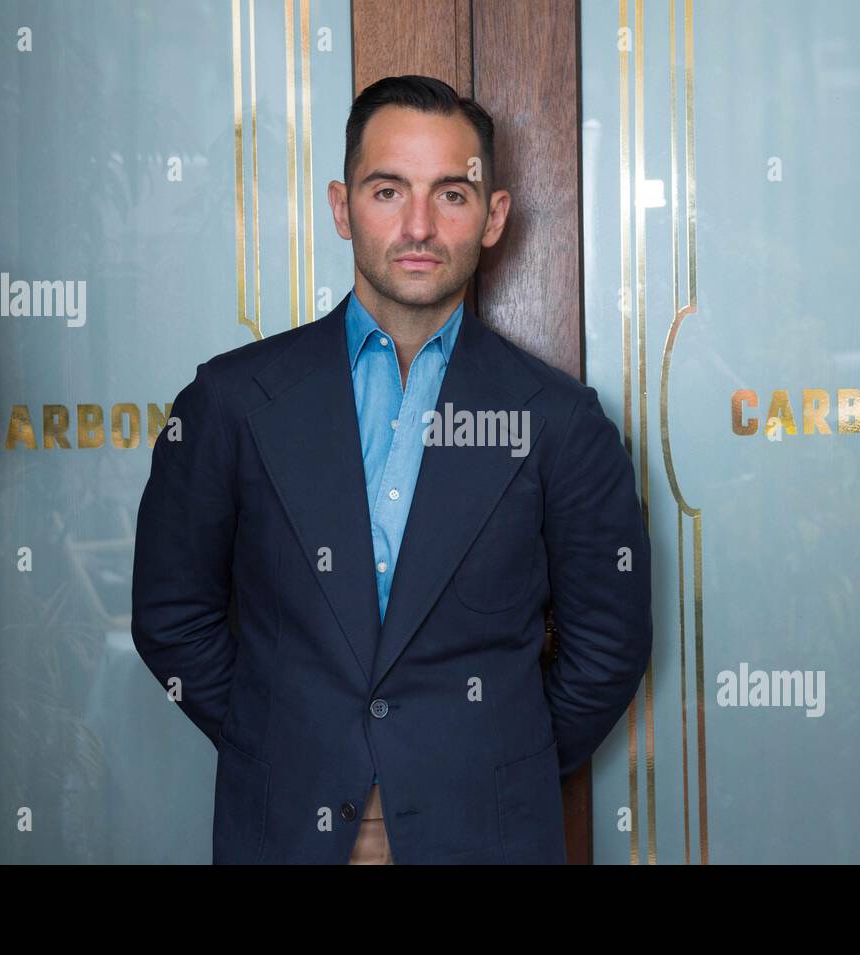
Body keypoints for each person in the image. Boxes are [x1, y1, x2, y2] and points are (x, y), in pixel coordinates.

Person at [131, 74, 652, 864]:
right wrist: (283, 735)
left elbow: (608, 647)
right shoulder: (230, 402)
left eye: (451, 194)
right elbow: (171, 614)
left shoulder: (561, 422)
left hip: (488, 836)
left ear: (492, 217)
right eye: (387, 190)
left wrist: (484, 759)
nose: (418, 225)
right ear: (342, 208)